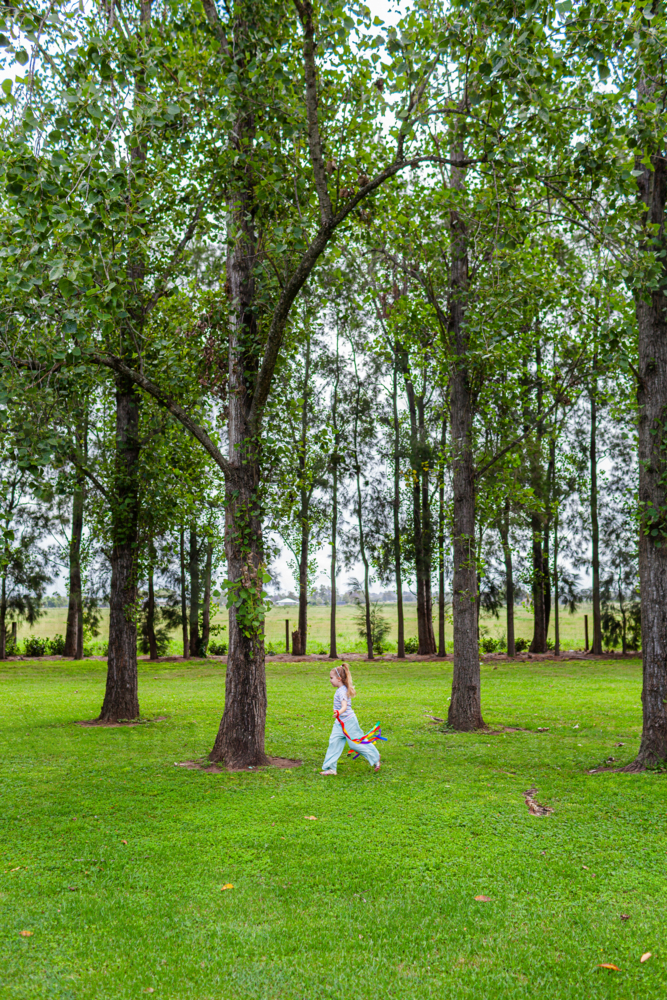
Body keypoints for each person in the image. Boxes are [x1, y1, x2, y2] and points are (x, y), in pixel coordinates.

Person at [320, 662, 381, 775]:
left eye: (331, 678)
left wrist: (338, 712)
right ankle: (331, 768)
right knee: (334, 743)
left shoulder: (342, 691)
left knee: (354, 744)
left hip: (349, 722)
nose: (330, 680)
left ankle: (375, 756)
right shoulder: (340, 690)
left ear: (339, 679)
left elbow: (344, 706)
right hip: (340, 723)